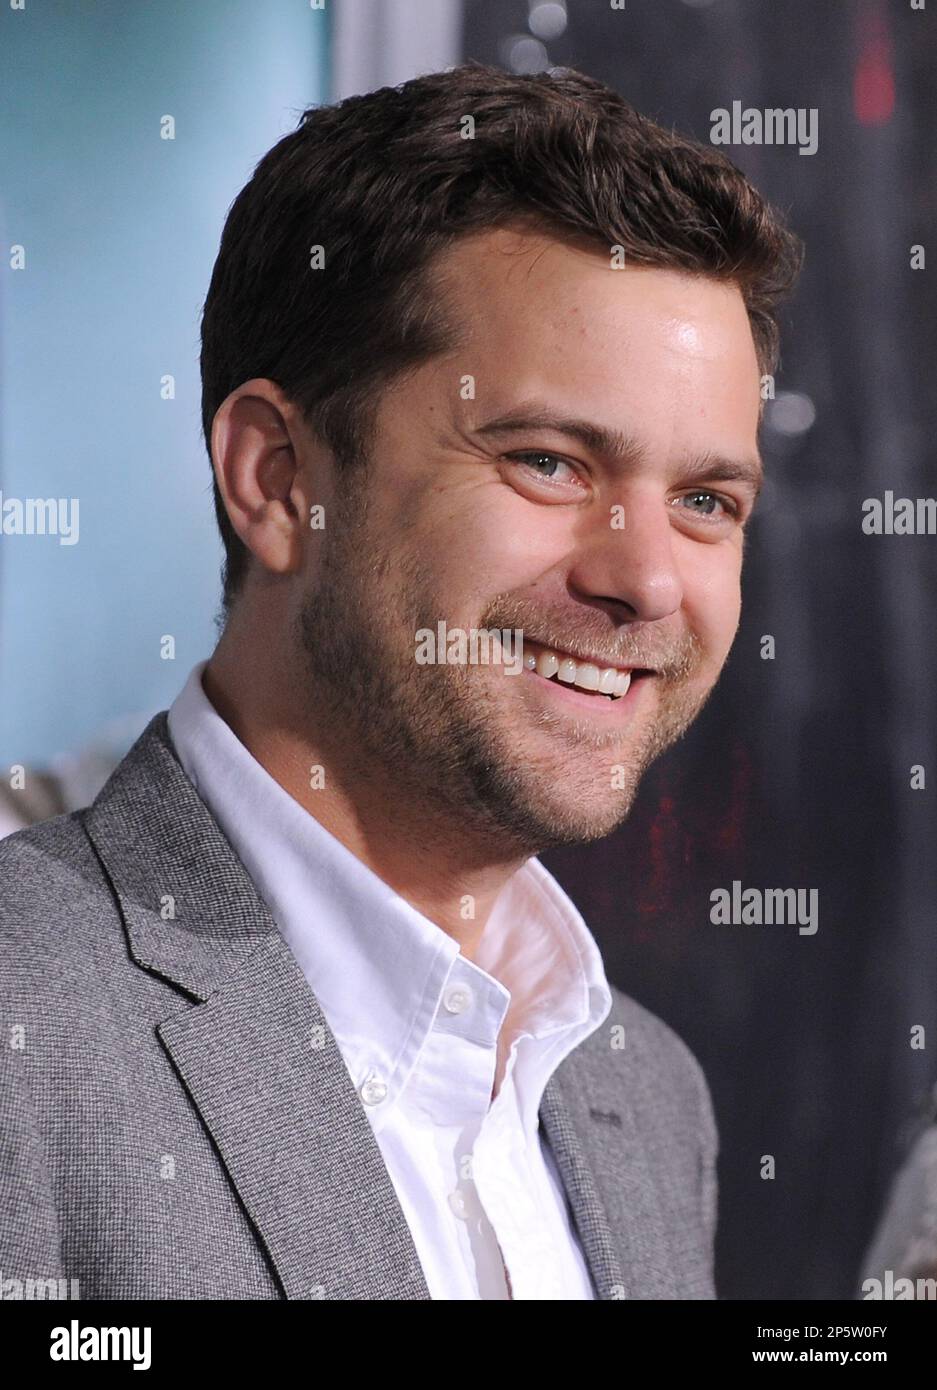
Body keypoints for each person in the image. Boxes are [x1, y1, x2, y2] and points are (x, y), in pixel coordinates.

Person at [0, 61, 802, 1301]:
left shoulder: (643, 1097)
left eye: (704, 501)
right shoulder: (26, 1016)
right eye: (547, 462)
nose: (647, 579)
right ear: (275, 479)